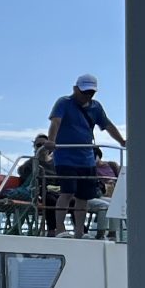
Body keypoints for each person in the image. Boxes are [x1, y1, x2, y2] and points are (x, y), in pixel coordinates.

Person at [44, 73, 127, 238]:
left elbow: (107, 125)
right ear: (75, 89)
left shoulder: (96, 107)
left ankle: (79, 232)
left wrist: (122, 141)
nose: (87, 95)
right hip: (66, 157)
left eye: (91, 92)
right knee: (67, 193)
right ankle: (60, 229)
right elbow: (56, 122)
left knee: (83, 197)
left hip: (87, 159)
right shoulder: (64, 103)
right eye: (84, 91)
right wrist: (51, 141)